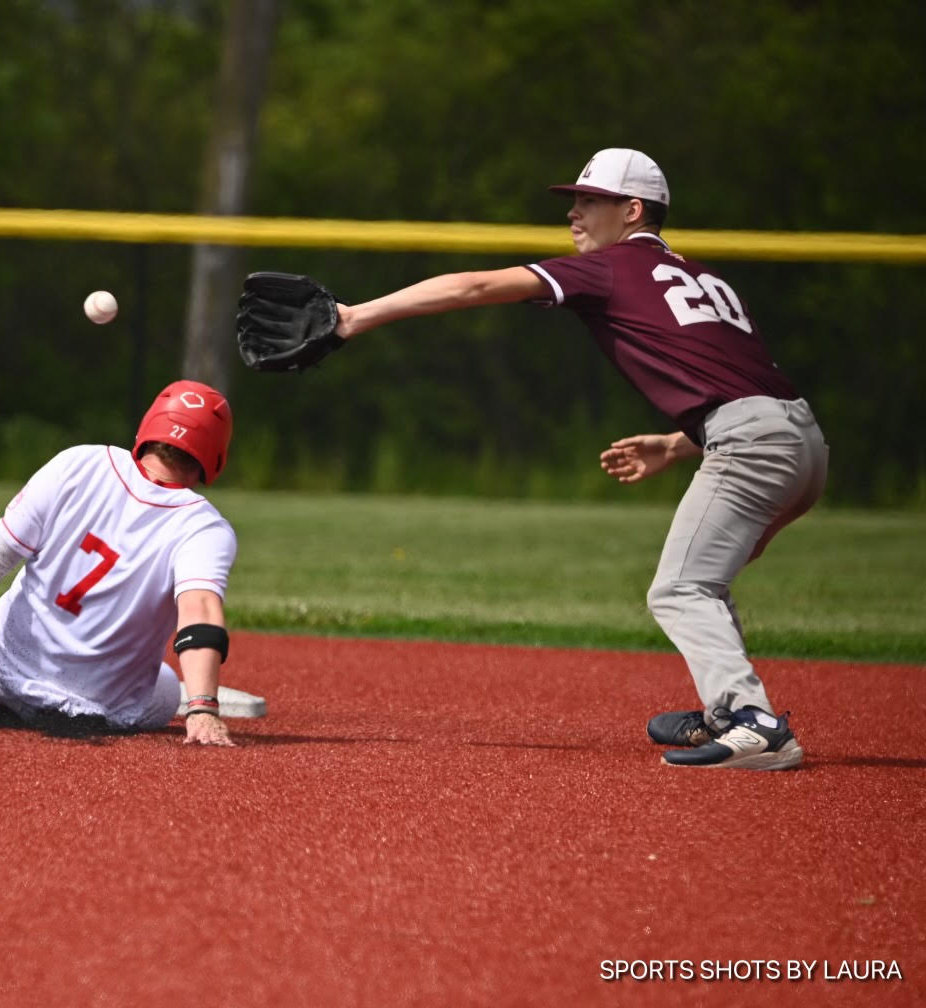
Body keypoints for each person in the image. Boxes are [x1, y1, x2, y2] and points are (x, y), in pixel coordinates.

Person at [330, 148, 826, 771]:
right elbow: (745, 383)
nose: (574, 213)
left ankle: (754, 725)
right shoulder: (703, 277)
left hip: (752, 446)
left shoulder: (614, 267)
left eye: (590, 201)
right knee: (705, 579)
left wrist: (358, 315)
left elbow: (473, 286)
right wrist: (677, 443)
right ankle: (728, 711)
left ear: (633, 211)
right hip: (803, 441)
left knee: (681, 588)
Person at [0, 380, 242, 746]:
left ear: (149, 428)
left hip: (7, 670)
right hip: (98, 707)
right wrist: (202, 709)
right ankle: (38, 700)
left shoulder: (80, 462)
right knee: (167, 685)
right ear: (216, 456)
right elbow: (199, 610)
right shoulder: (203, 526)